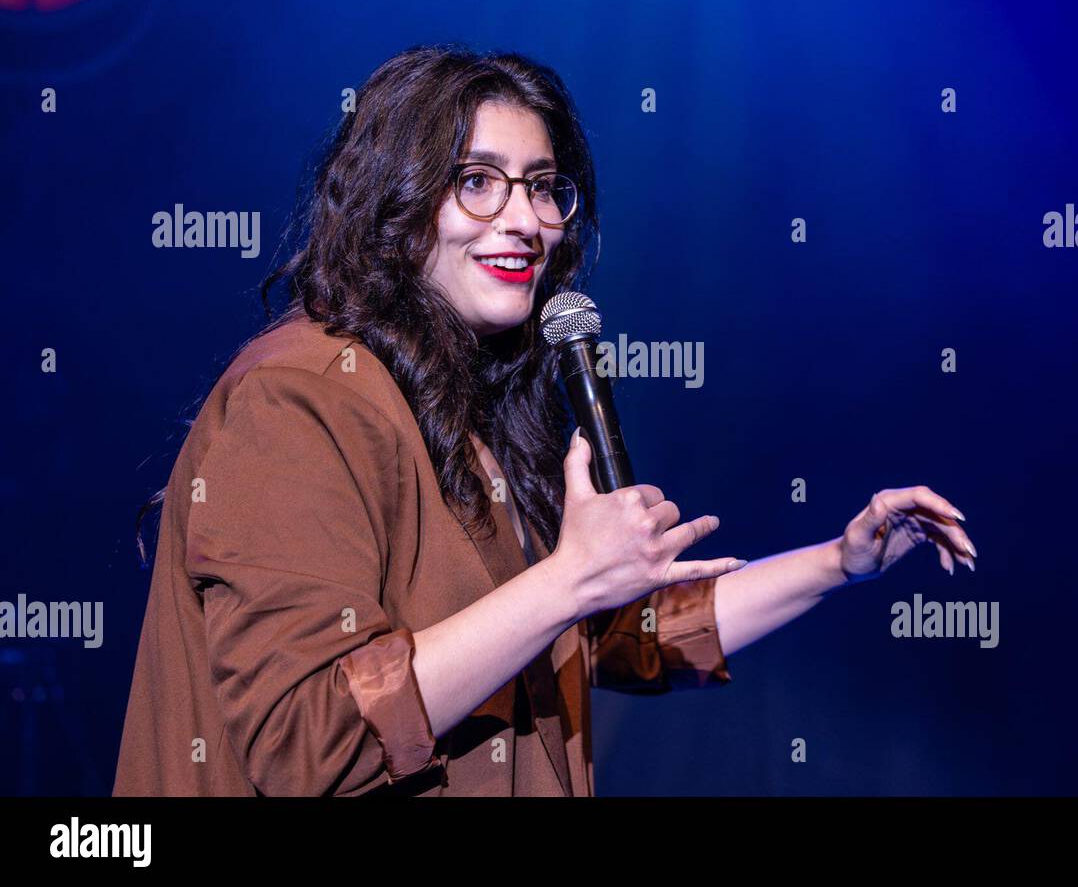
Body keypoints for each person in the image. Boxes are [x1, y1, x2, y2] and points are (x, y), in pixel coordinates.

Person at [113, 44, 979, 797]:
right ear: (392, 202)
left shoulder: (470, 404)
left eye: (542, 187)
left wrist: (838, 561)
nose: (526, 221)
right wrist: (566, 580)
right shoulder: (301, 394)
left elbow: (613, 640)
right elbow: (309, 735)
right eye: (478, 183)